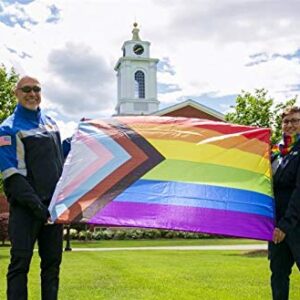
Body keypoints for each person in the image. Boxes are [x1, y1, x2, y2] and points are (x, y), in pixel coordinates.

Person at [0, 76, 64, 300]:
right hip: (26, 211)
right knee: (19, 266)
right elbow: (13, 178)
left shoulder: (51, 123)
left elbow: (61, 161)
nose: (32, 93)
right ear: (16, 93)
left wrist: (82, 137)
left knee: (52, 267)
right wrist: (39, 208)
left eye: (37, 89)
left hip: (52, 210)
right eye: (26, 89)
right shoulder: (7, 129)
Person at [269, 106, 300, 300]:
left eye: (295, 121)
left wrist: (285, 225)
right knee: (278, 275)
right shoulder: (275, 151)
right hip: (275, 225)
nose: (290, 125)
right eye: (286, 121)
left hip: (295, 224)